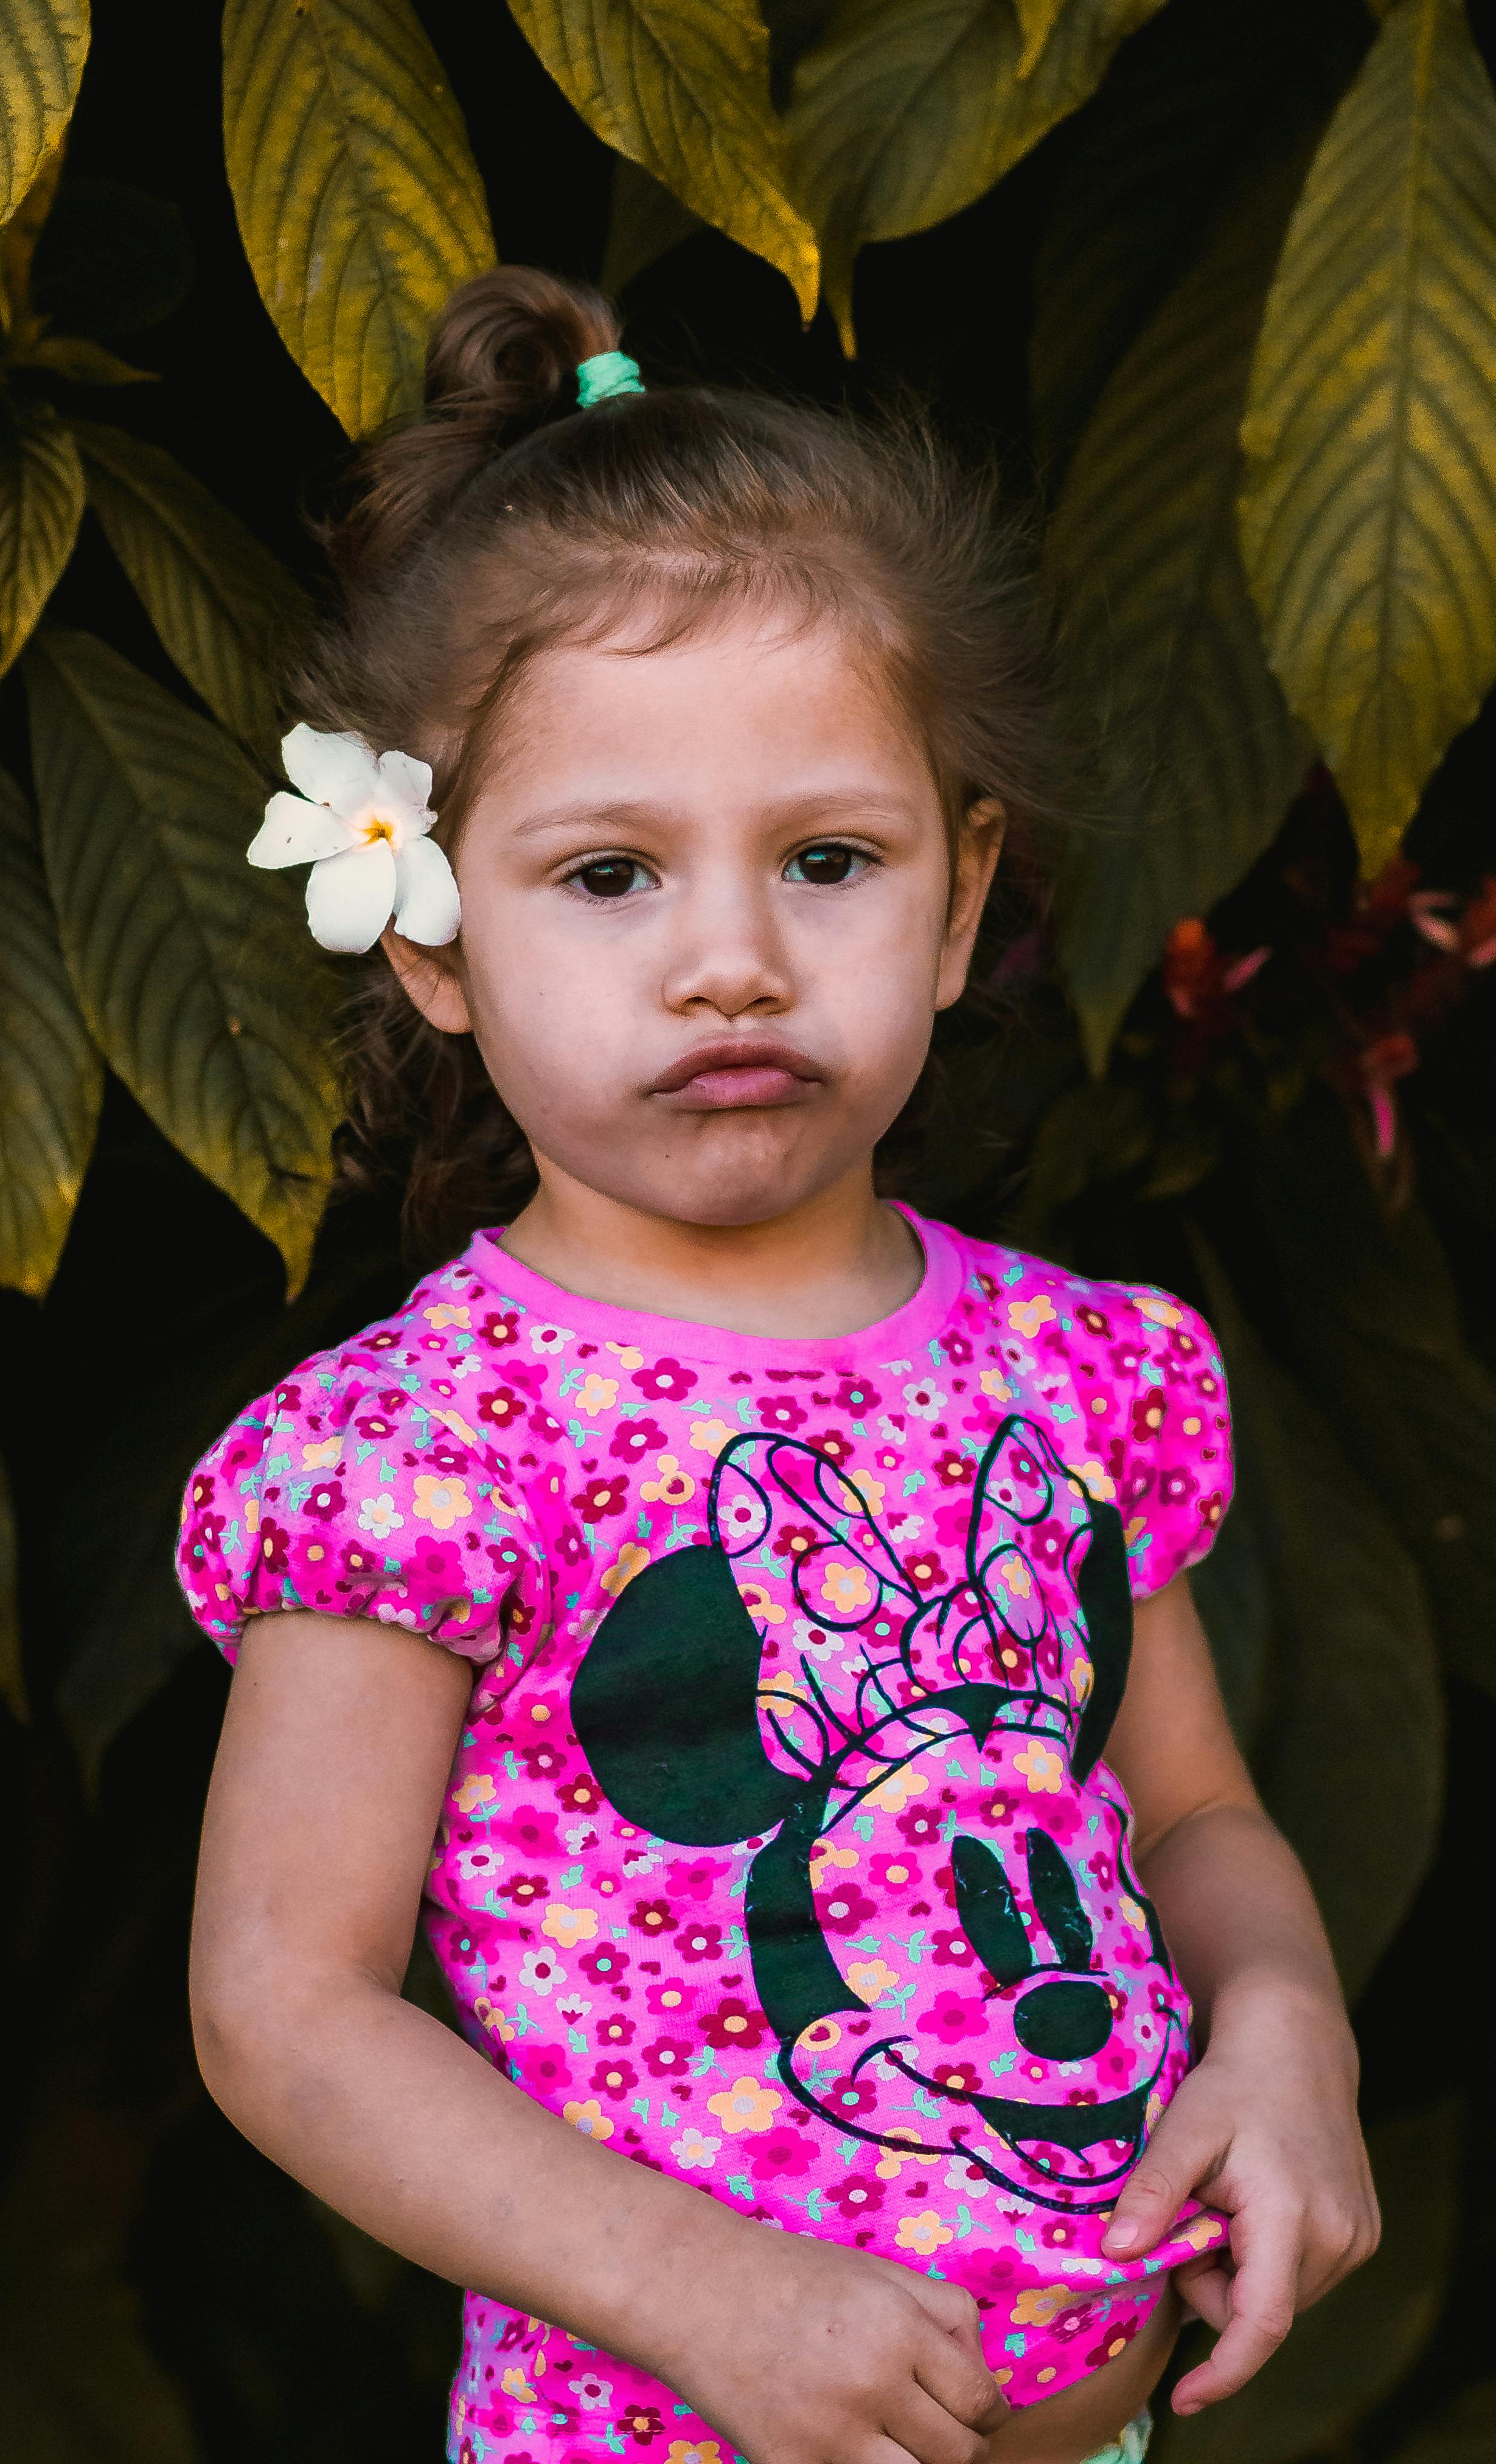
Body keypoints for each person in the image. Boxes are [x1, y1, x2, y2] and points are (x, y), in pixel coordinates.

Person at [178, 268, 1377, 2464]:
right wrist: (689, 2290)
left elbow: (1193, 1811)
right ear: (435, 939)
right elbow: (284, 2010)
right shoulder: (428, 1450)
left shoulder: (1069, 1372)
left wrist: (1286, 2030)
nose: (730, 958)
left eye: (825, 860)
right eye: (610, 874)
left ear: (952, 897)